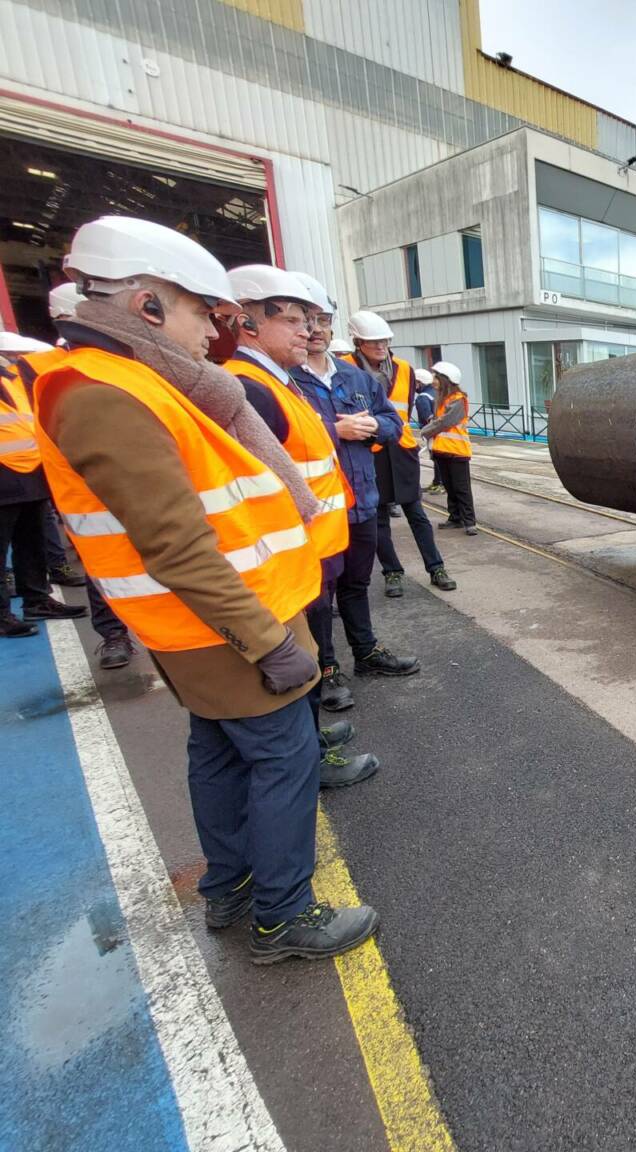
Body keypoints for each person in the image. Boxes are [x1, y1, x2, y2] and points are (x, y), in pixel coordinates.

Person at [33, 216, 376, 962]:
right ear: (147, 307)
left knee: (219, 752)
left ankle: (231, 890)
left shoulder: (133, 383)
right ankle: (284, 918)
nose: (214, 332)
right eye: (202, 313)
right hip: (227, 627)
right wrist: (268, 641)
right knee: (285, 762)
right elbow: (177, 547)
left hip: (211, 625)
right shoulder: (105, 395)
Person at [286, 271, 422, 706]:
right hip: (315, 511)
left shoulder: (356, 379)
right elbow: (278, 437)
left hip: (361, 501)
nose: (315, 330)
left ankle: (365, 651)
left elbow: (392, 421)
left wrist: (370, 428)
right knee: (318, 595)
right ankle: (325, 666)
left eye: (322, 320)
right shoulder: (285, 382)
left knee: (357, 584)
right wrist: (334, 429)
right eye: (307, 321)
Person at [13, 283, 137, 668]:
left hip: (132, 471)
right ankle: (114, 633)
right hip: (82, 483)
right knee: (105, 560)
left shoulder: (129, 361)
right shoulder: (41, 365)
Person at [341, 312, 456, 598]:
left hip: (402, 449)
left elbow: (402, 410)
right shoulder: (344, 367)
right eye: (373, 342)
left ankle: (436, 567)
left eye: (384, 341)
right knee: (379, 516)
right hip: (369, 451)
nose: (380, 346)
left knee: (416, 512)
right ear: (358, 341)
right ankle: (392, 571)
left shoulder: (404, 368)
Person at [0, 330, 88, 636]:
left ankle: (37, 598)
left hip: (30, 472)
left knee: (32, 541)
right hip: (4, 476)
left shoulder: (13, 374)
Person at [419, 362, 476, 535]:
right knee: (450, 488)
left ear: (446, 379)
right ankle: (455, 518)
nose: (433, 380)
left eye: (436, 377)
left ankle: (469, 522)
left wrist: (425, 431)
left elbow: (445, 422)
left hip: (457, 451)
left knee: (461, 488)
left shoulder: (458, 399)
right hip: (442, 450)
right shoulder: (440, 398)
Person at [413, 369, 444, 495]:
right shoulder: (436, 393)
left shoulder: (422, 398)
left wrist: (427, 434)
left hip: (433, 434)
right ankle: (438, 481)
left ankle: (439, 483)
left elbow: (429, 419)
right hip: (443, 433)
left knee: (436, 458)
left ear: (419, 382)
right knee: (441, 459)